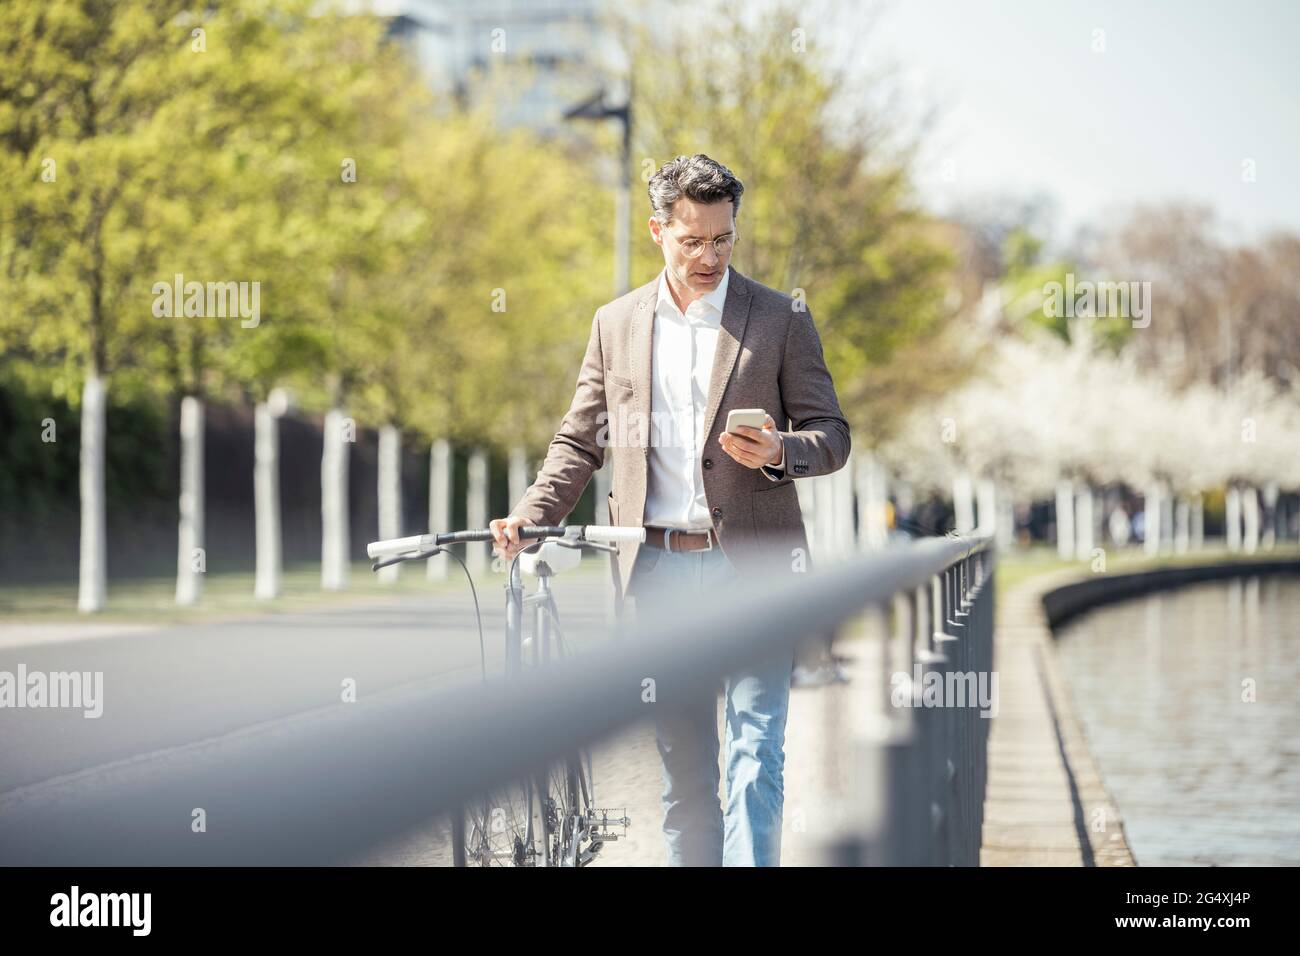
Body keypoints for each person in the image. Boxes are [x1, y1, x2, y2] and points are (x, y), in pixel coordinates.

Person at [490, 154, 850, 866]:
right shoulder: (616, 323)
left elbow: (833, 436)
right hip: (654, 572)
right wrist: (532, 513)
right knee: (684, 775)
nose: (710, 256)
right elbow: (580, 439)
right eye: (693, 240)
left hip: (753, 569)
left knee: (756, 755)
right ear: (659, 231)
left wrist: (779, 450)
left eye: (724, 239)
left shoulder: (780, 319)